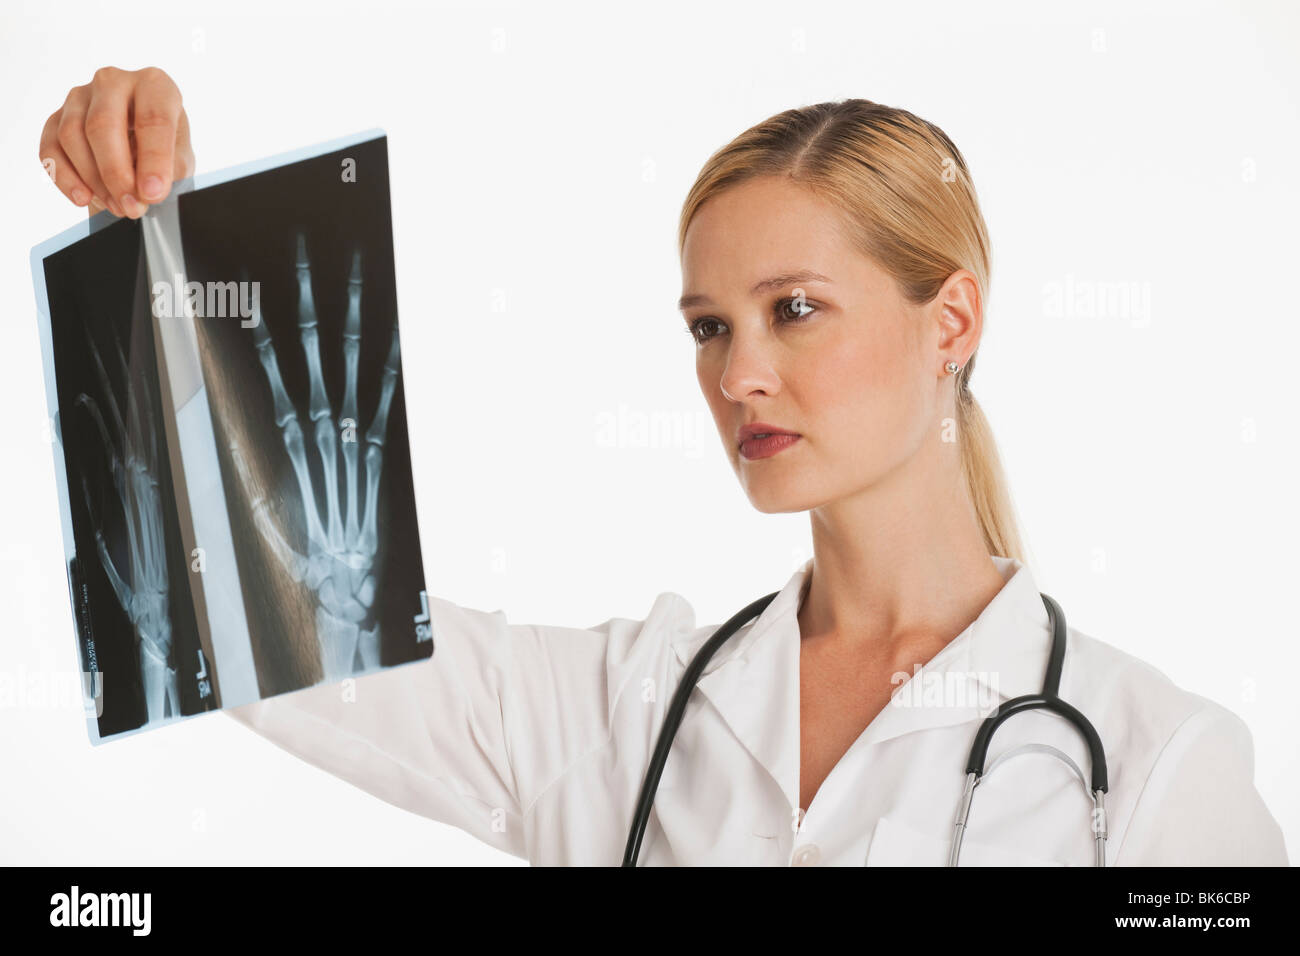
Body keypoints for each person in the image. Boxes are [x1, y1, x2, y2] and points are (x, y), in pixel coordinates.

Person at [40, 66, 1289, 866]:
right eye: (709, 325)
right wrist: (156, 246)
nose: (738, 372)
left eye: (793, 307)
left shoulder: (1153, 764)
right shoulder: (626, 711)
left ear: (950, 322)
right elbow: (256, 633)